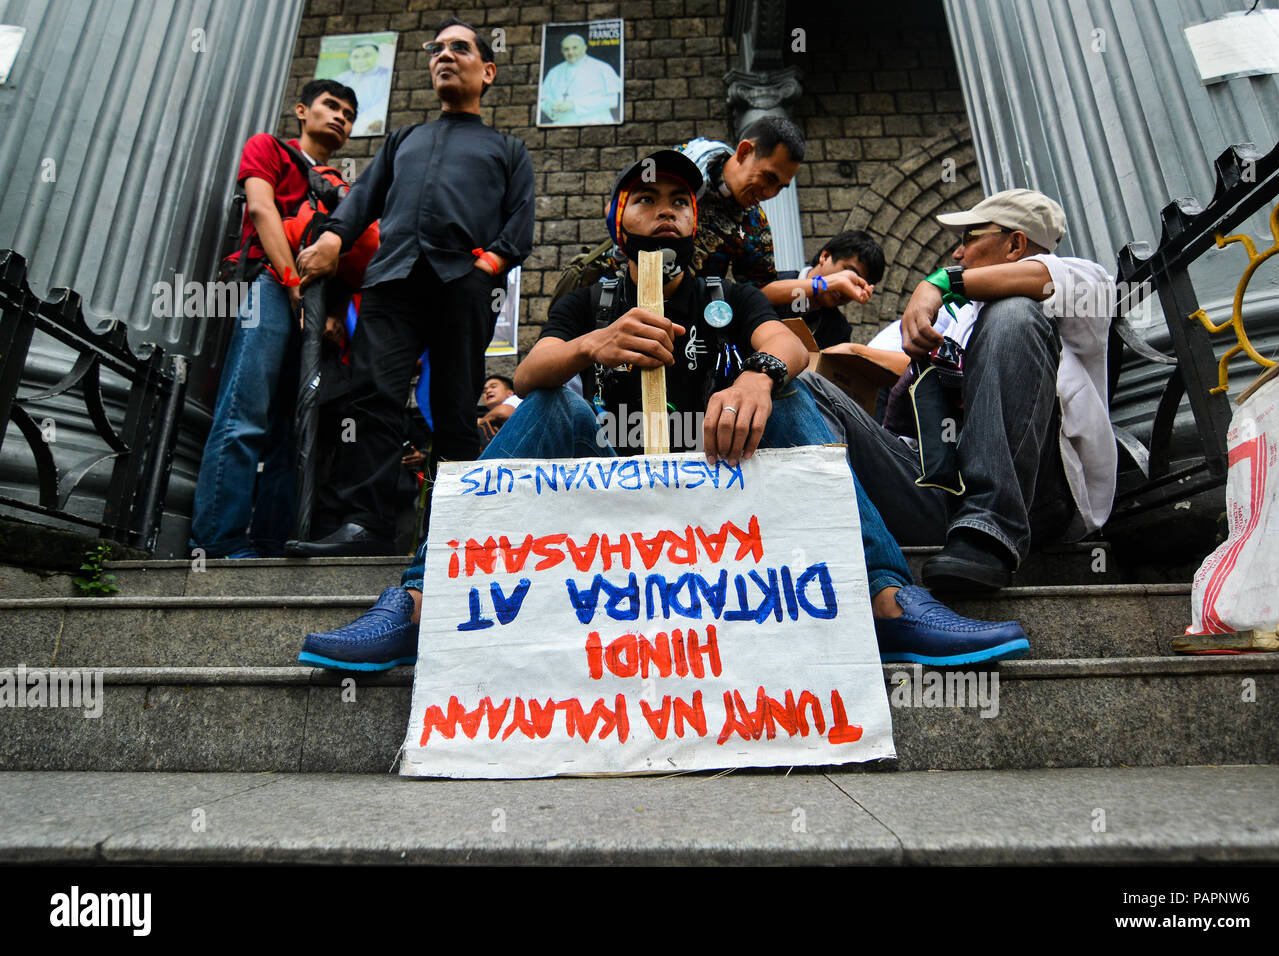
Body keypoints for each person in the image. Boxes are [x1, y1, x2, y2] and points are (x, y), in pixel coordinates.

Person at [298, 149, 1028, 673]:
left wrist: (759, 377)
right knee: (551, 401)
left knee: (792, 390)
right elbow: (528, 369)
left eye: (679, 201)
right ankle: (422, 597)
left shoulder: (727, 290)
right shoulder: (590, 292)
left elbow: (785, 342)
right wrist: (592, 344)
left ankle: (885, 596)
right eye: (648, 201)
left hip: (711, 480)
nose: (667, 213)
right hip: (608, 478)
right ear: (622, 219)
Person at [287, 18, 535, 557]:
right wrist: (332, 240)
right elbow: (362, 200)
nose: (445, 55)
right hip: (392, 278)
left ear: (487, 71)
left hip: (462, 284)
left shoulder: (508, 149)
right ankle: (366, 524)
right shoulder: (404, 140)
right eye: (437, 48)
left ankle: (456, 529)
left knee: (453, 407)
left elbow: (520, 223)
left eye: (460, 48)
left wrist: (487, 266)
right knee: (373, 395)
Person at [803, 188, 1117, 592]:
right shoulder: (960, 318)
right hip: (943, 493)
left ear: (1015, 243)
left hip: (1031, 499)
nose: (957, 253)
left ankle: (990, 530)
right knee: (810, 388)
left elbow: (1042, 280)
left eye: (969, 238)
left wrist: (938, 284)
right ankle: (830, 538)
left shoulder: (1081, 277)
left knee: (1013, 311)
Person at [189, 79, 357, 559]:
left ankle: (271, 542)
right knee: (244, 416)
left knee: (294, 431)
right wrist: (293, 287)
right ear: (302, 111)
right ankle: (218, 544)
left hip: (316, 308)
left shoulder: (340, 185)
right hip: (269, 284)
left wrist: (328, 314)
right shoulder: (268, 148)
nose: (340, 116)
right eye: (330, 106)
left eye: (348, 112)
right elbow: (262, 210)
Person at [678, 117, 806, 286]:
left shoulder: (754, 225)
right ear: (744, 151)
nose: (769, 193)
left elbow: (761, 289)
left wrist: (817, 285)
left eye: (780, 187)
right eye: (768, 178)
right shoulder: (683, 165)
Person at [767, 230, 885, 348]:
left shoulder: (840, 332)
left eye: (860, 285)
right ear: (825, 256)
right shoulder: (771, 282)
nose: (849, 286)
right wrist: (828, 283)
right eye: (849, 273)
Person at [538, 33, 621, 125]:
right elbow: (543, 99)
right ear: (562, 51)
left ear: (584, 48)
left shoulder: (602, 68)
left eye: (575, 48)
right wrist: (551, 108)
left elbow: (612, 100)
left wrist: (574, 105)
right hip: (562, 125)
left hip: (594, 123)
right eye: (566, 49)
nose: (570, 52)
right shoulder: (554, 72)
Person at [334, 41, 392, 137]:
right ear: (350, 59)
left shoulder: (387, 76)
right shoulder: (340, 79)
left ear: (378, 56)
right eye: (356, 57)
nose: (361, 61)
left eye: (367, 56)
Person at [477, 373, 518, 443]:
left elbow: (503, 412)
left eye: (493, 387)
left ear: (510, 393)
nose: (488, 391)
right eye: (484, 391)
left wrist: (481, 421)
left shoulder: (515, 399)